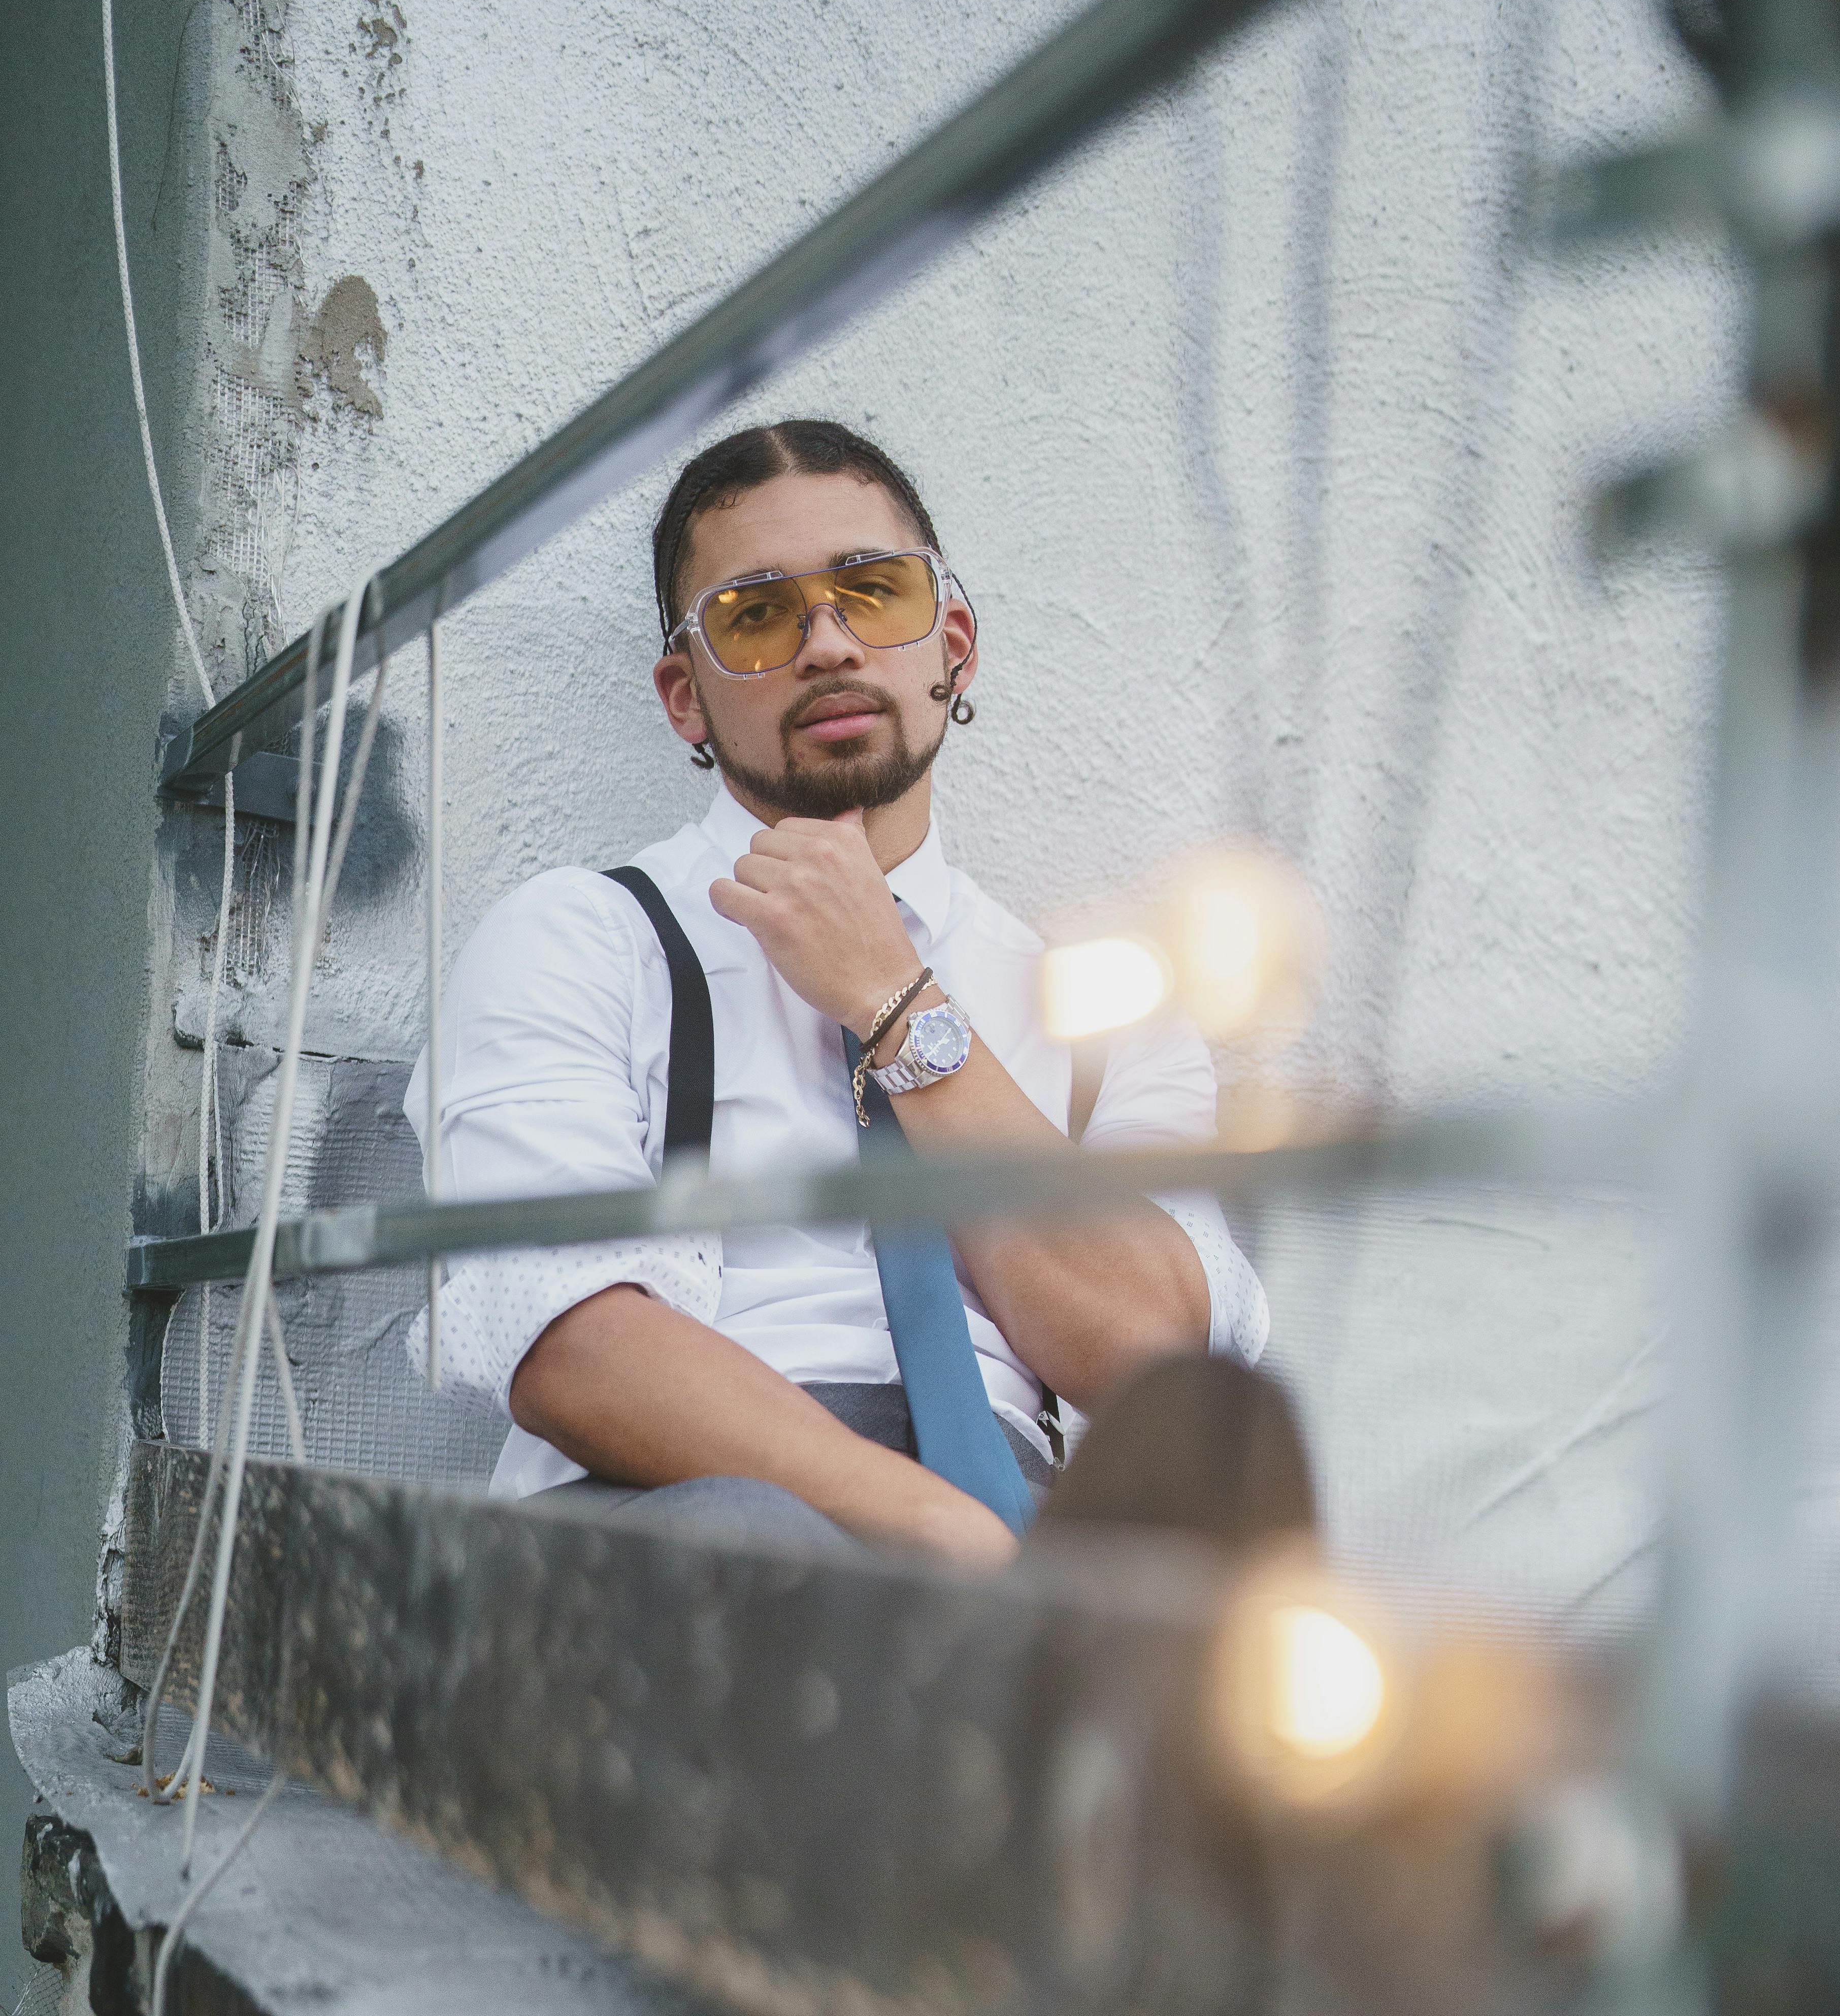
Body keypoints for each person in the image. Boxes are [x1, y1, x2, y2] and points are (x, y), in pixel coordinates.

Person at [406, 417, 1274, 1566]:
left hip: (1017, 1514)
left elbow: (1155, 1355)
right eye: (756, 616)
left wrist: (894, 1001)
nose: (827, 644)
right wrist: (939, 1528)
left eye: (873, 592)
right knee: (760, 1545)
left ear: (950, 643)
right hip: (681, 1514)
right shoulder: (581, 939)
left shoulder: (1103, 1010)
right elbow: (568, 1343)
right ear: (684, 698)